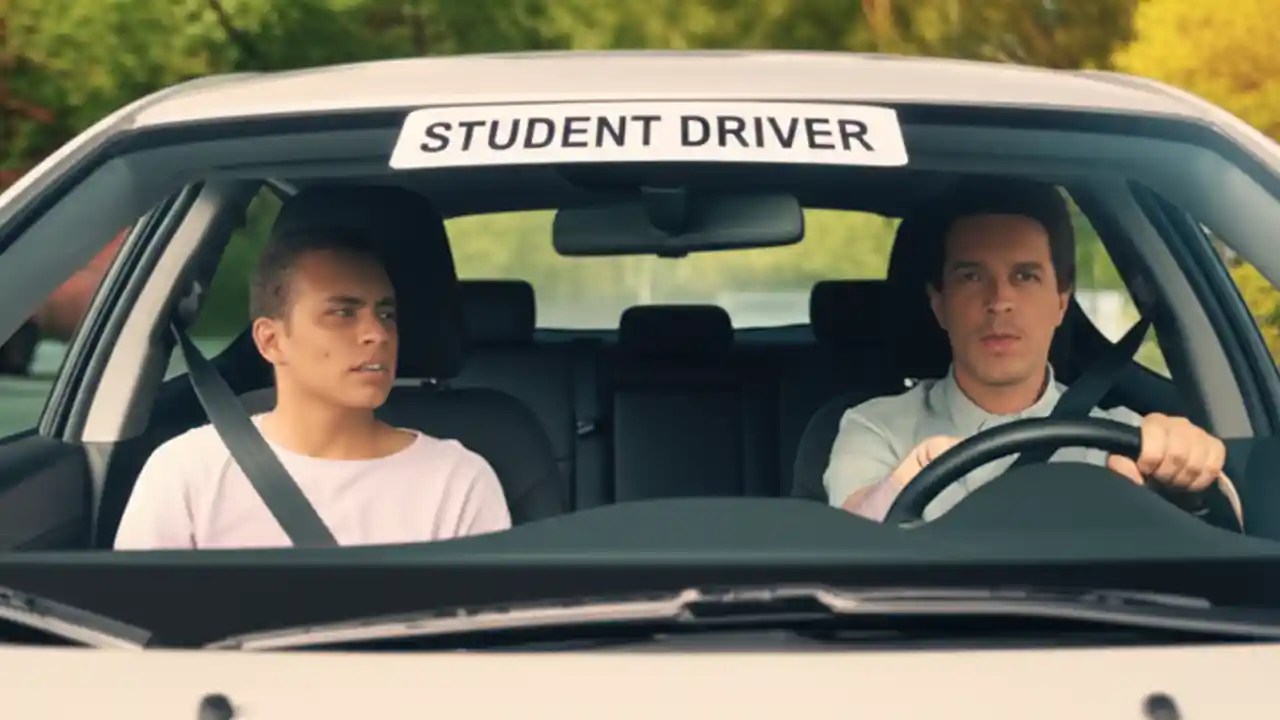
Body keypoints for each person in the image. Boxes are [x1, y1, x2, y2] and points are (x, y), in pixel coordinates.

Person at [823, 178, 1243, 527]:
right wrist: (898, 488)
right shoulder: (875, 428)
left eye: (1024, 276)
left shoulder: (1128, 439)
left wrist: (1188, 470)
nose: (1000, 300)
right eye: (971, 276)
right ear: (939, 304)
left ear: (1061, 302)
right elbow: (850, 541)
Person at [115, 224, 512, 549]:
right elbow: (135, 635)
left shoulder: (458, 480)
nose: (377, 333)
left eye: (386, 313)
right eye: (342, 313)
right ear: (271, 341)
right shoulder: (187, 472)